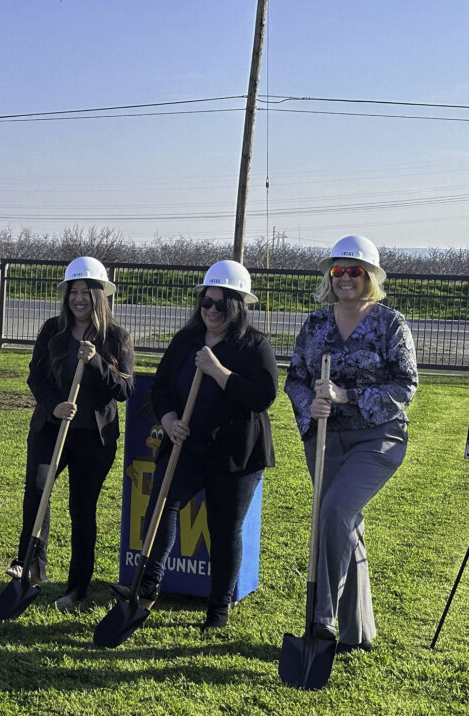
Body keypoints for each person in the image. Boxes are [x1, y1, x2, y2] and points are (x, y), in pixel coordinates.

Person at [111, 260, 277, 631]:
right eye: (206, 301)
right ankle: (147, 586)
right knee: (161, 507)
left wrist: (219, 372)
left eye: (221, 304)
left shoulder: (255, 345)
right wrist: (168, 419)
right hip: (188, 445)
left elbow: (263, 397)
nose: (212, 310)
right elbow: (162, 387)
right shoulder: (186, 339)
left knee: (224, 529)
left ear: (237, 307)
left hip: (236, 452)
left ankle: (218, 611)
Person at [284, 234, 417, 652]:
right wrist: (311, 407)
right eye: (337, 270)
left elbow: (406, 385)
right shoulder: (316, 323)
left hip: (379, 437)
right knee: (344, 524)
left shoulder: (390, 324)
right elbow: (295, 380)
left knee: (336, 509)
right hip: (325, 437)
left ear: (369, 277)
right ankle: (358, 634)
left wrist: (349, 396)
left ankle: (322, 618)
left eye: (354, 271)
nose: (344, 278)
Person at [7, 257, 134, 611]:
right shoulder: (53, 331)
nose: (78, 299)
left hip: (94, 439)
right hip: (51, 428)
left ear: (100, 296)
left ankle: (77, 587)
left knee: (82, 509)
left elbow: (125, 390)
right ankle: (29, 571)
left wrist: (96, 363)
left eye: (86, 292)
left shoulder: (115, 337)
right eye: (73, 292)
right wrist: (54, 406)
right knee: (36, 497)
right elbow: (36, 376)